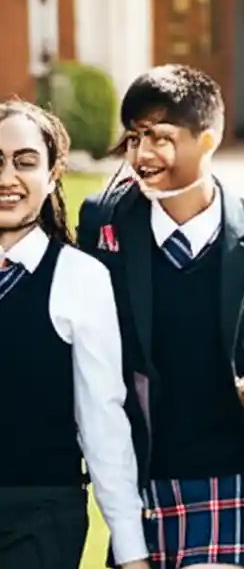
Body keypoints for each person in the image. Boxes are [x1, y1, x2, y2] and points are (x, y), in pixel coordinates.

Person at [76, 64, 244, 569]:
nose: (142, 155)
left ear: (209, 139)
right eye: (135, 137)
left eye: (161, 137)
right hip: (145, 481)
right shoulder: (103, 221)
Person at [0, 100, 147, 569]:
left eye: (25, 162)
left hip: (41, 516)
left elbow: (103, 421)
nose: (7, 179)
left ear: (53, 172)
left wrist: (130, 549)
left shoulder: (81, 277)